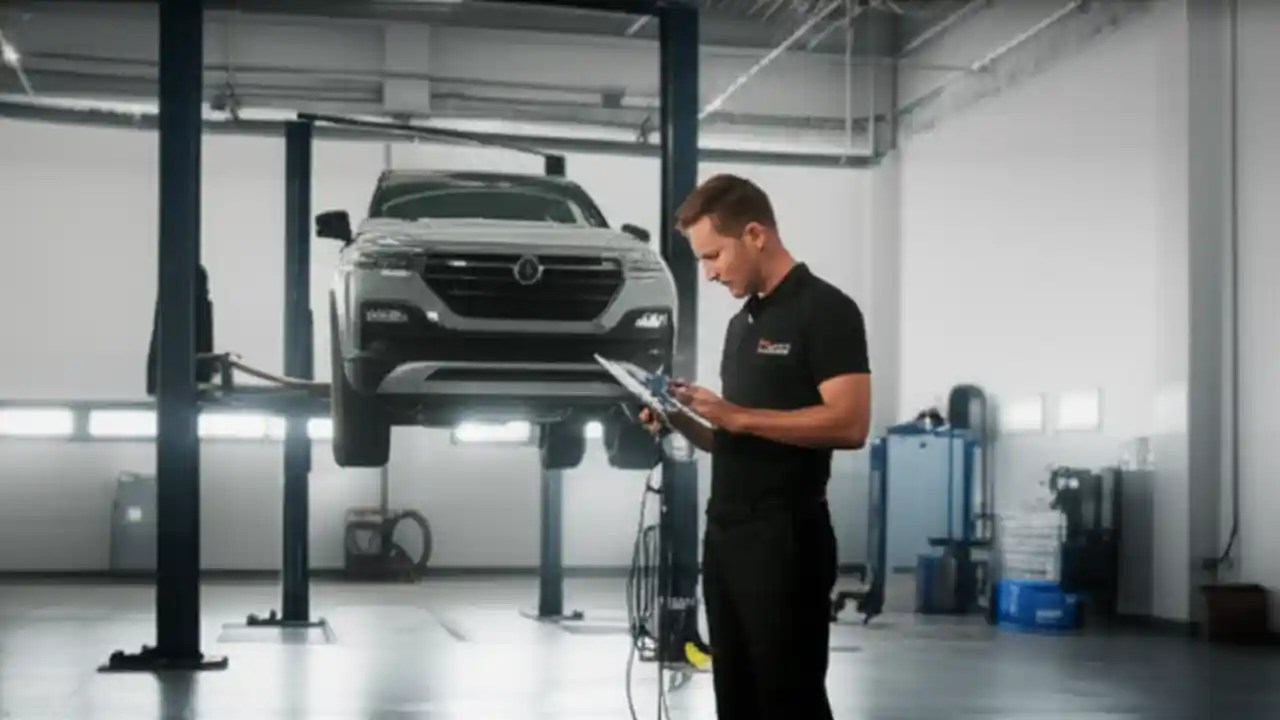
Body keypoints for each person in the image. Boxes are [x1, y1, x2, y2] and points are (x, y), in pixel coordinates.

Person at [639, 173, 871, 720]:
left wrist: (736, 414)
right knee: (736, 696)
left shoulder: (827, 310)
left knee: (788, 700)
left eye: (714, 255)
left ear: (755, 235)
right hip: (726, 535)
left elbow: (850, 423)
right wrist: (679, 420)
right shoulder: (741, 326)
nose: (710, 272)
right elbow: (732, 438)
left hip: (786, 537)